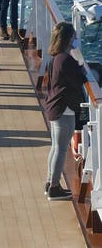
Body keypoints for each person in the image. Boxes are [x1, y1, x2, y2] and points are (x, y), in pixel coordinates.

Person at [43, 22, 87, 200]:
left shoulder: (55, 58)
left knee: (55, 147)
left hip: (55, 107)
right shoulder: (66, 60)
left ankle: (50, 183)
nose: (76, 40)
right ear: (69, 39)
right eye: (74, 37)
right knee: (61, 150)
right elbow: (79, 78)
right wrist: (80, 62)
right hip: (64, 109)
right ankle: (54, 188)